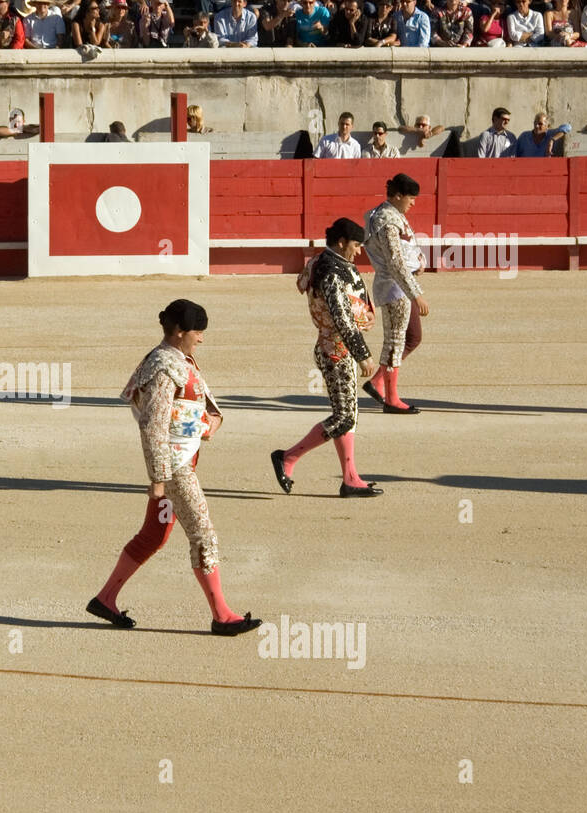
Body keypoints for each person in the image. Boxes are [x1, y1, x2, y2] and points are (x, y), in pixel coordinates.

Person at [88, 299, 261, 636]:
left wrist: (209, 423)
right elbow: (152, 424)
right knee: (203, 535)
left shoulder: (175, 360)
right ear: (180, 332)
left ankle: (105, 599)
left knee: (153, 535)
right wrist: (158, 478)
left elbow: (200, 409)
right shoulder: (165, 367)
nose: (202, 338)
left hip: (179, 461)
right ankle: (222, 615)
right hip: (175, 468)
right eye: (197, 332)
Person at [272, 218, 382, 498]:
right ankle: (288, 457)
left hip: (333, 346)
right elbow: (341, 317)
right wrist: (364, 354)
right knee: (344, 417)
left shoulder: (323, 262)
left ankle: (350, 478)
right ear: (342, 242)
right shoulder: (332, 271)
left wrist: (364, 316)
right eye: (356, 246)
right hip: (337, 350)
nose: (359, 252)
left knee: (349, 415)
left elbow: (313, 289)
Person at [362, 172, 428, 415]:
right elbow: (395, 263)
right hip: (395, 288)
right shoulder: (387, 221)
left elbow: (406, 250)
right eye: (410, 197)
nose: (414, 202)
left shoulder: (390, 214)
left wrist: (419, 261)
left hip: (399, 285)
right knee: (395, 341)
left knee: (410, 338)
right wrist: (416, 293)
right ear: (398, 196)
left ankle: (378, 383)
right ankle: (391, 399)